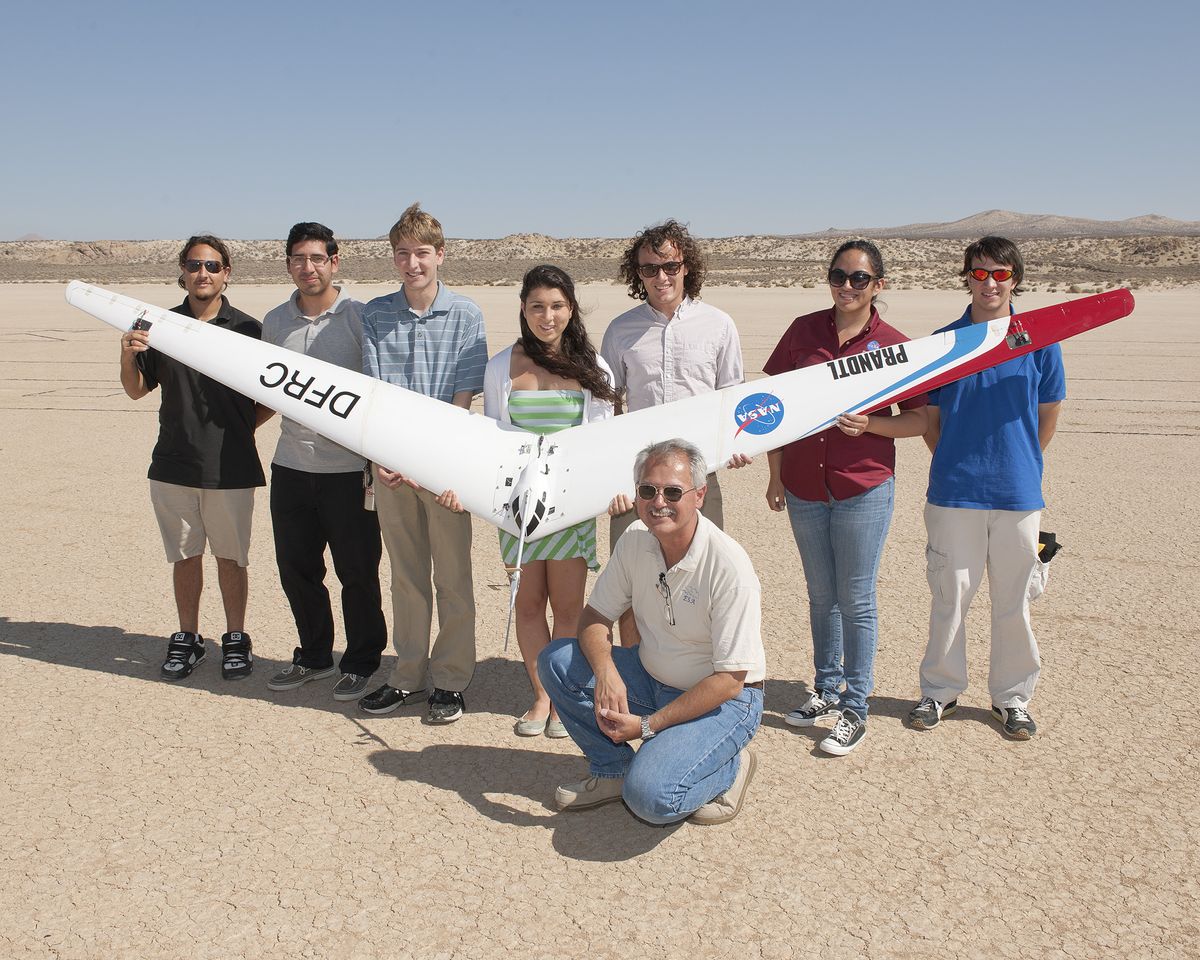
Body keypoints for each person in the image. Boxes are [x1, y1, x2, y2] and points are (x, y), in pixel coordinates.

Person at [538, 440, 765, 826]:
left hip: (723, 701)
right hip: (650, 676)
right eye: (648, 490)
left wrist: (646, 726)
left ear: (699, 495)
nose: (658, 502)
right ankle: (613, 769)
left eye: (673, 492)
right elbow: (593, 616)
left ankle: (730, 764)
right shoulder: (635, 540)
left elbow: (730, 681)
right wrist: (607, 673)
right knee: (557, 661)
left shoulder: (728, 565)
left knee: (651, 800)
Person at [762, 240, 928, 756]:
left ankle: (856, 706)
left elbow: (923, 419)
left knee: (856, 599)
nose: (848, 287)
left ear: (879, 285)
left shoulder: (895, 346)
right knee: (820, 595)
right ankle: (825, 689)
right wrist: (775, 476)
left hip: (863, 486)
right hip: (805, 485)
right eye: (839, 276)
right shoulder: (802, 332)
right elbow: (773, 407)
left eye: (860, 278)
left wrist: (872, 425)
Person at [907, 236, 1065, 741]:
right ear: (967, 278)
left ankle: (1012, 699)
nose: (989, 283)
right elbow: (930, 418)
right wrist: (954, 459)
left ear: (1015, 278)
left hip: (1018, 492)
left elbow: (1049, 411)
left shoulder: (1039, 338)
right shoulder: (946, 341)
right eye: (979, 274)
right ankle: (940, 691)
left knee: (1013, 599)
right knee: (950, 596)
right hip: (955, 491)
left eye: (999, 274)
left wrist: (1022, 464)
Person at [358, 203, 488, 724]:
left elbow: (464, 396)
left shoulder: (466, 315)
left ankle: (452, 680)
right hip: (390, 469)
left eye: (423, 254)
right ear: (394, 259)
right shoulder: (375, 315)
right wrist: (384, 459)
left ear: (441, 255)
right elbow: (373, 394)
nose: (414, 264)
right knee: (405, 577)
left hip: (445, 470)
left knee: (452, 577)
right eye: (404, 254)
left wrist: (433, 461)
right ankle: (407, 673)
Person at [118, 235, 266, 682]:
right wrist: (126, 355)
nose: (204, 273)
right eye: (195, 264)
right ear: (182, 269)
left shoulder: (248, 330)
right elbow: (136, 389)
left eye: (213, 265)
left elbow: (270, 397)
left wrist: (236, 433)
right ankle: (188, 637)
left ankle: (235, 637)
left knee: (230, 557)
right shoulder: (158, 325)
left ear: (227, 272)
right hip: (173, 465)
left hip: (230, 467)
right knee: (185, 556)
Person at [483, 265, 618, 738]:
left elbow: (601, 442)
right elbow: (495, 440)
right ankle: (540, 697)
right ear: (523, 308)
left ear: (571, 309)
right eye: (537, 306)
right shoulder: (503, 365)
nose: (547, 316)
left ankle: (564, 698)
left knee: (566, 605)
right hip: (518, 506)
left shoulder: (593, 368)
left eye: (557, 306)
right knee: (527, 603)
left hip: (571, 506)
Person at [261, 222, 388, 702]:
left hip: (348, 471)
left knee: (357, 571)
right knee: (296, 567)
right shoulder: (275, 322)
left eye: (317, 258)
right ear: (289, 264)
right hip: (291, 465)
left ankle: (361, 661)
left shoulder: (360, 317)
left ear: (334, 262)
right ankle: (314, 655)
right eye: (298, 259)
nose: (307, 267)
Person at [601, 220, 744, 646]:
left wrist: (737, 447)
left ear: (686, 268)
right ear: (637, 273)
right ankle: (632, 670)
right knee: (628, 580)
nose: (661, 277)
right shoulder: (620, 330)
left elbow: (732, 400)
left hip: (697, 479)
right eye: (649, 269)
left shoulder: (719, 325)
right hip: (637, 482)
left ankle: (699, 674)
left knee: (702, 574)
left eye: (670, 266)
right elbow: (608, 403)